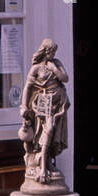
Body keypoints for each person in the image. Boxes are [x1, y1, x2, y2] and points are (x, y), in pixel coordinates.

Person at [18, 39, 69, 187]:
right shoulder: (36, 69)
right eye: (51, 51)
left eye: (54, 52)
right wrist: (23, 106)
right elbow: (27, 88)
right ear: (45, 51)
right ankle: (41, 168)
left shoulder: (56, 63)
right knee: (47, 130)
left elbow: (65, 78)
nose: (53, 54)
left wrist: (54, 69)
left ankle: (47, 161)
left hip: (57, 105)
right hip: (42, 104)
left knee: (53, 133)